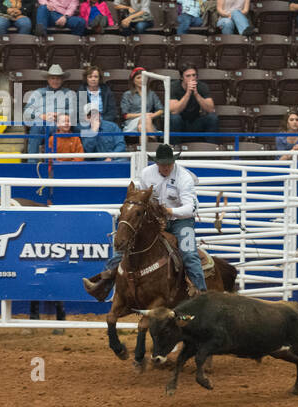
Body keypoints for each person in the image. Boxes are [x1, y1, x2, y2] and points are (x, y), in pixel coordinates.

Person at [83, 144, 207, 301]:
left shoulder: (184, 178)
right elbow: (139, 197)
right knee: (125, 244)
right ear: (157, 163)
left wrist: (170, 211)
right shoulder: (147, 174)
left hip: (181, 220)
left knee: (189, 254)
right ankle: (103, 284)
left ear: (173, 162)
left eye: (168, 164)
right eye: (162, 164)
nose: (165, 167)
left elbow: (190, 209)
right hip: (156, 219)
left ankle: (202, 295)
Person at [23, 64, 79, 154]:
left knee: (61, 128)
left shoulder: (70, 93)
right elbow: (27, 111)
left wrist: (59, 115)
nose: (55, 81)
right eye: (53, 78)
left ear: (62, 80)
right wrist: (42, 115)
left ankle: (57, 163)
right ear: (48, 79)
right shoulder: (38, 93)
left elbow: (73, 112)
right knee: (36, 127)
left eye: (58, 78)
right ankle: (32, 162)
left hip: (60, 124)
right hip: (41, 124)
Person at [170, 66, 219, 137]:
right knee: (174, 118)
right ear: (181, 78)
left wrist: (196, 94)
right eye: (188, 76)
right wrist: (188, 93)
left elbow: (211, 109)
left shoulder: (202, 86)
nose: (192, 78)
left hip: (196, 121)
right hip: (180, 121)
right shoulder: (173, 86)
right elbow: (174, 111)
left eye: (194, 75)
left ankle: (211, 147)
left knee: (212, 117)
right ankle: (173, 147)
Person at [80, 66, 121, 147]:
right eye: (90, 77)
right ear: (86, 78)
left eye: (96, 76)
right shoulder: (81, 91)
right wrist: (91, 120)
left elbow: (112, 110)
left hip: (104, 119)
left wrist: (101, 121)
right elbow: (79, 111)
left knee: (111, 127)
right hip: (88, 121)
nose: (93, 79)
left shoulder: (106, 91)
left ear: (100, 78)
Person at [120, 67, 164, 141]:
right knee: (144, 120)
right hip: (132, 122)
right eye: (138, 78)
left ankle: (146, 149)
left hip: (148, 121)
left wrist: (152, 115)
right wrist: (143, 115)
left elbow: (161, 110)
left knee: (142, 127)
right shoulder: (127, 95)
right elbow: (125, 115)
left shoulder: (151, 94)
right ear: (133, 80)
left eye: (144, 77)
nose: (142, 80)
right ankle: (153, 144)